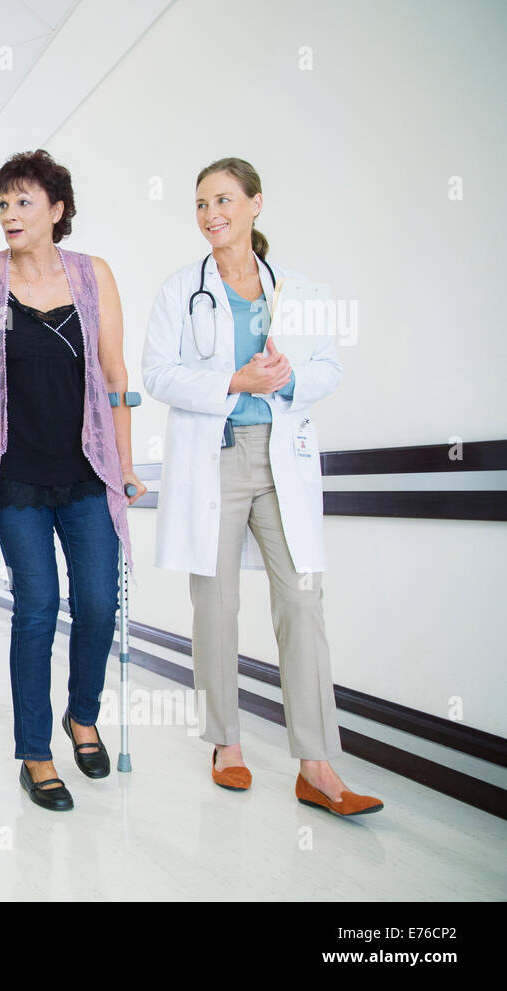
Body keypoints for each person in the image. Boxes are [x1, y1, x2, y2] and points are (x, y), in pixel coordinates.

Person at [141, 157, 381, 817]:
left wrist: (289, 379)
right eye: (200, 203)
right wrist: (233, 382)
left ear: (255, 204)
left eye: (222, 199)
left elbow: (328, 365)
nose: (210, 213)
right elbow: (157, 374)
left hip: (282, 461)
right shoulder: (177, 290)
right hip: (215, 457)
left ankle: (316, 763)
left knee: (303, 602)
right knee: (214, 604)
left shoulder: (298, 291)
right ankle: (226, 742)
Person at [0, 150, 145, 812]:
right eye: (3, 202)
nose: (9, 214)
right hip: (15, 475)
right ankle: (36, 750)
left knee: (96, 602)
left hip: (87, 471)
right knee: (37, 604)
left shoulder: (93, 276)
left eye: (23, 202)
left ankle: (81, 713)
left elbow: (115, 376)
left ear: (57, 211)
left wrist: (125, 462)